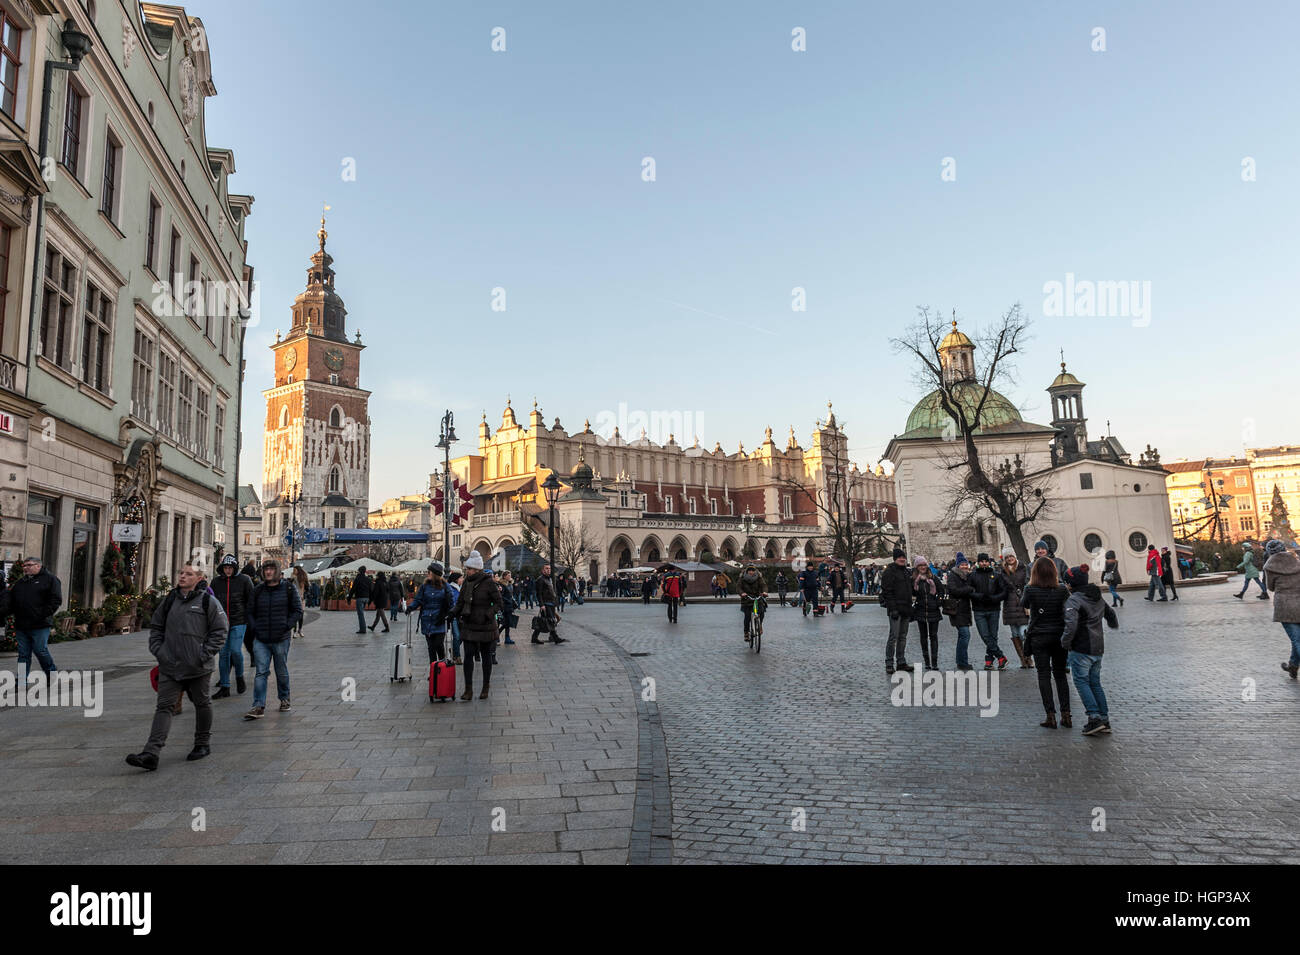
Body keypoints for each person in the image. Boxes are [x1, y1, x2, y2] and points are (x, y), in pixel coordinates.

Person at [125, 564, 228, 770]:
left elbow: (220, 631)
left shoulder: (208, 601)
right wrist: (159, 651)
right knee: (164, 707)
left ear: (199, 578)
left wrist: (203, 654)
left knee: (202, 703)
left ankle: (202, 744)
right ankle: (151, 753)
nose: (182, 576)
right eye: (181, 572)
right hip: (170, 665)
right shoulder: (169, 600)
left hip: (198, 666)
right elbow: (156, 627)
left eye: (188, 574)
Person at [243, 559, 303, 719]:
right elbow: (249, 611)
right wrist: (254, 627)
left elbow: (297, 610)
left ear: (276, 571)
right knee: (261, 672)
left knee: (281, 670)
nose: (268, 572)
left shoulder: (288, 588)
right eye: (266, 569)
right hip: (261, 638)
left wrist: (287, 625)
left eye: (271, 569)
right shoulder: (258, 590)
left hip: (281, 637)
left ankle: (284, 699)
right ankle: (258, 705)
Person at [1063, 565, 1118, 736]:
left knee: (1081, 682)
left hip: (1081, 648)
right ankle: (1104, 719)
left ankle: (1093, 718)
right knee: (1095, 683)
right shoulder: (1097, 597)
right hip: (1098, 648)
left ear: (1071, 583)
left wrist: (1065, 642)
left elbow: (1071, 625)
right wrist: (1112, 624)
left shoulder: (1074, 600)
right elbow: (1111, 614)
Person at [1021, 556, 1073, 729]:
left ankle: (1050, 715)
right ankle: (1066, 715)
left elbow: (1024, 604)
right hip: (1058, 636)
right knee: (1060, 675)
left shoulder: (1030, 589)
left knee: (1043, 675)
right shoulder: (1062, 589)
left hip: (1039, 636)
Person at [452, 553, 501, 699]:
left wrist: (489, 614)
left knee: (486, 657)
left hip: (486, 625)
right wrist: (452, 613)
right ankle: (468, 689)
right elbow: (460, 602)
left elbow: (499, 602)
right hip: (470, 624)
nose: (467, 571)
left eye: (469, 569)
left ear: (477, 569)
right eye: (467, 568)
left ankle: (485, 687)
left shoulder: (489, 582)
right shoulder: (467, 583)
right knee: (468, 656)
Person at [5, 556, 63, 680]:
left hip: (40, 624)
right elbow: (11, 601)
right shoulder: (21, 582)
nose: (25, 568)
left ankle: (51, 674)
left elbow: (55, 600)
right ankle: (21, 680)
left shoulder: (50, 580)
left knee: (40, 650)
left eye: (29, 565)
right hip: (22, 625)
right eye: (24, 566)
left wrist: (41, 615)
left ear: (38, 566)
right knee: (23, 655)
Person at [212, 554, 254, 698]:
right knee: (223, 654)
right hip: (222, 623)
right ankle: (225, 686)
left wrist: (249, 618)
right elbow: (211, 602)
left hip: (239, 621)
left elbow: (251, 600)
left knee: (236, 650)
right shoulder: (216, 582)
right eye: (226, 568)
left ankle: (239, 677)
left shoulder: (244, 580)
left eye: (230, 568)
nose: (228, 570)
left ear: (235, 568)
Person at [1262, 539, 1300, 678]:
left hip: (1284, 606)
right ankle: (1293, 666)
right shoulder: (1296, 561)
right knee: (1297, 640)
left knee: (1296, 640)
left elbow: (1270, 587)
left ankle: (1293, 666)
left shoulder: (1269, 566)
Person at [406, 562, 454, 667]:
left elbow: (451, 601)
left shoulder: (445, 586)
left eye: (429, 572)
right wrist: (411, 607)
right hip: (427, 620)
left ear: (434, 574)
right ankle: (433, 671)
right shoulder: (424, 586)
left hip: (440, 620)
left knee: (438, 644)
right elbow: (418, 599)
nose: (427, 573)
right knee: (431, 647)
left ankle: (442, 666)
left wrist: (451, 613)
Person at [969, 553, 1008, 669]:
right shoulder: (973, 576)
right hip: (979, 609)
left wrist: (994, 598)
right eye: (981, 561)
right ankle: (1001, 656)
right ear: (978, 562)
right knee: (985, 635)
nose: (984, 563)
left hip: (993, 609)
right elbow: (969, 591)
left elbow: (1003, 591)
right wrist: (978, 596)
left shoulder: (996, 575)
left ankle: (989, 660)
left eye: (986, 561)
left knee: (993, 635)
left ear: (989, 562)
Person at [879, 548, 914, 673]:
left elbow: (909, 591)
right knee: (893, 636)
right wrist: (892, 609)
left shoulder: (906, 572)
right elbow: (887, 592)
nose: (902, 559)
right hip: (895, 609)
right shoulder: (889, 572)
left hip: (905, 608)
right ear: (895, 559)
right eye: (900, 557)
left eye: (903, 557)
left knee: (903, 637)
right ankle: (889, 662)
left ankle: (901, 661)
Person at [999, 551, 1032, 668]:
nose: (1009, 559)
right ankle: (1023, 659)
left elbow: (1029, 582)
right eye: (1007, 557)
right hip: (1010, 605)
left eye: (1011, 556)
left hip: (1023, 603)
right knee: (1015, 633)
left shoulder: (1024, 568)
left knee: (1024, 633)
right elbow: (1001, 587)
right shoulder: (1003, 571)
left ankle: (1029, 657)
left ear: (1015, 556)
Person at [943, 554, 975, 671]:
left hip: (965, 610)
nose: (965, 566)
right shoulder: (953, 575)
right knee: (965, 635)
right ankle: (962, 662)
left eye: (966, 564)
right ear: (958, 565)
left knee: (963, 636)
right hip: (956, 610)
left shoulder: (969, 576)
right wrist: (969, 589)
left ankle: (961, 661)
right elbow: (954, 590)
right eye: (962, 564)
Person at [911, 556, 943, 671]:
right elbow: (911, 592)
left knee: (933, 637)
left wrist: (938, 602)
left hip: (933, 611)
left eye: (924, 565)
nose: (923, 567)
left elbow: (941, 591)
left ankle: (934, 662)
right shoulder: (914, 580)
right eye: (920, 565)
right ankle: (927, 662)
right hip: (920, 611)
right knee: (923, 637)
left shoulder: (933, 578)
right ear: (917, 567)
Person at [533, 563, 565, 644]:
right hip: (546, 603)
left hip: (551, 603)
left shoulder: (549, 579)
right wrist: (542, 604)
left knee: (544, 621)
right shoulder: (540, 580)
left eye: (549, 569)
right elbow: (539, 593)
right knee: (551, 620)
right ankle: (555, 637)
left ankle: (534, 638)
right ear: (543, 570)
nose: (548, 570)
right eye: (546, 568)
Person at [738, 563, 766, 644]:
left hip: (757, 598)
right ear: (747, 571)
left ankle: (759, 625)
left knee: (762, 611)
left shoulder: (759, 577)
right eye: (749, 570)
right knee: (747, 616)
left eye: (753, 570)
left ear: (755, 571)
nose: (751, 572)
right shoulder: (742, 578)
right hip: (747, 598)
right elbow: (738, 587)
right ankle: (746, 632)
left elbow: (764, 585)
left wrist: (764, 592)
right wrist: (742, 593)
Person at [446, 571, 464, 661]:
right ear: (457, 579)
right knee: (456, 636)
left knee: (461, 636)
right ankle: (457, 656)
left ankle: (453, 650)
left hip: (460, 615)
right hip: (453, 615)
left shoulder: (460, 588)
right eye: (461, 578)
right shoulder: (450, 588)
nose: (462, 579)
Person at [349, 567, 372, 633]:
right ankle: (363, 628)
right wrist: (370, 598)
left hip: (360, 598)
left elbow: (353, 589)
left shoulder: (357, 579)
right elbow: (371, 589)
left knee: (360, 614)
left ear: (359, 571)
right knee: (362, 613)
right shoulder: (368, 579)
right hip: (366, 598)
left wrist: (349, 598)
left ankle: (362, 629)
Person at [498, 571, 518, 645]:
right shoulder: (502, 584)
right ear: (504, 576)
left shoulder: (510, 583)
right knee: (506, 622)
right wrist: (508, 600)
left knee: (508, 622)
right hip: (505, 606)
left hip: (510, 606)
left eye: (510, 575)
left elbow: (511, 594)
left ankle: (506, 638)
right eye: (508, 575)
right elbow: (501, 596)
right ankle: (500, 636)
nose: (510, 576)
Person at [292, 566, 309, 634]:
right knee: (297, 614)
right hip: (296, 598)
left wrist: (302, 595)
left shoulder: (299, 578)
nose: (293, 571)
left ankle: (298, 630)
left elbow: (304, 588)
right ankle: (296, 630)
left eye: (294, 570)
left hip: (300, 598)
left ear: (298, 570)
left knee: (300, 614)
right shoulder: (294, 577)